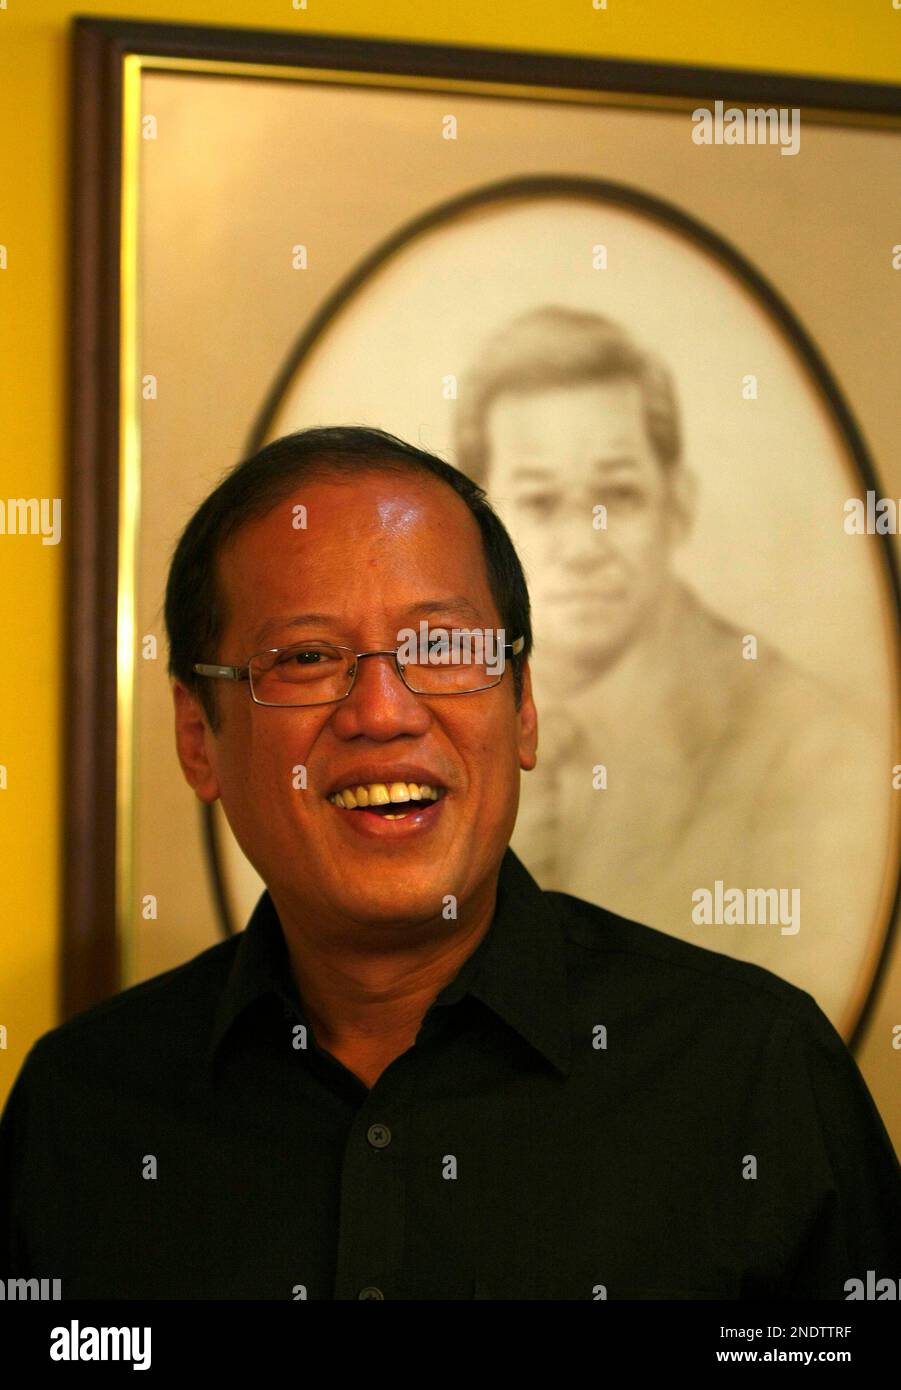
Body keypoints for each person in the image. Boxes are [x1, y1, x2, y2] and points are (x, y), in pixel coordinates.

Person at [0, 425, 899, 1300]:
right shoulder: (80, 1112)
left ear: (523, 710)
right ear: (198, 737)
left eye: (443, 647)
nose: (383, 712)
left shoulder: (754, 1073)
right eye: (308, 658)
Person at [453, 306, 889, 1033]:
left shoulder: (809, 751)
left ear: (675, 505)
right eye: (537, 501)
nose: (582, 545)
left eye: (616, 497)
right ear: (474, 532)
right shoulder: (417, 723)